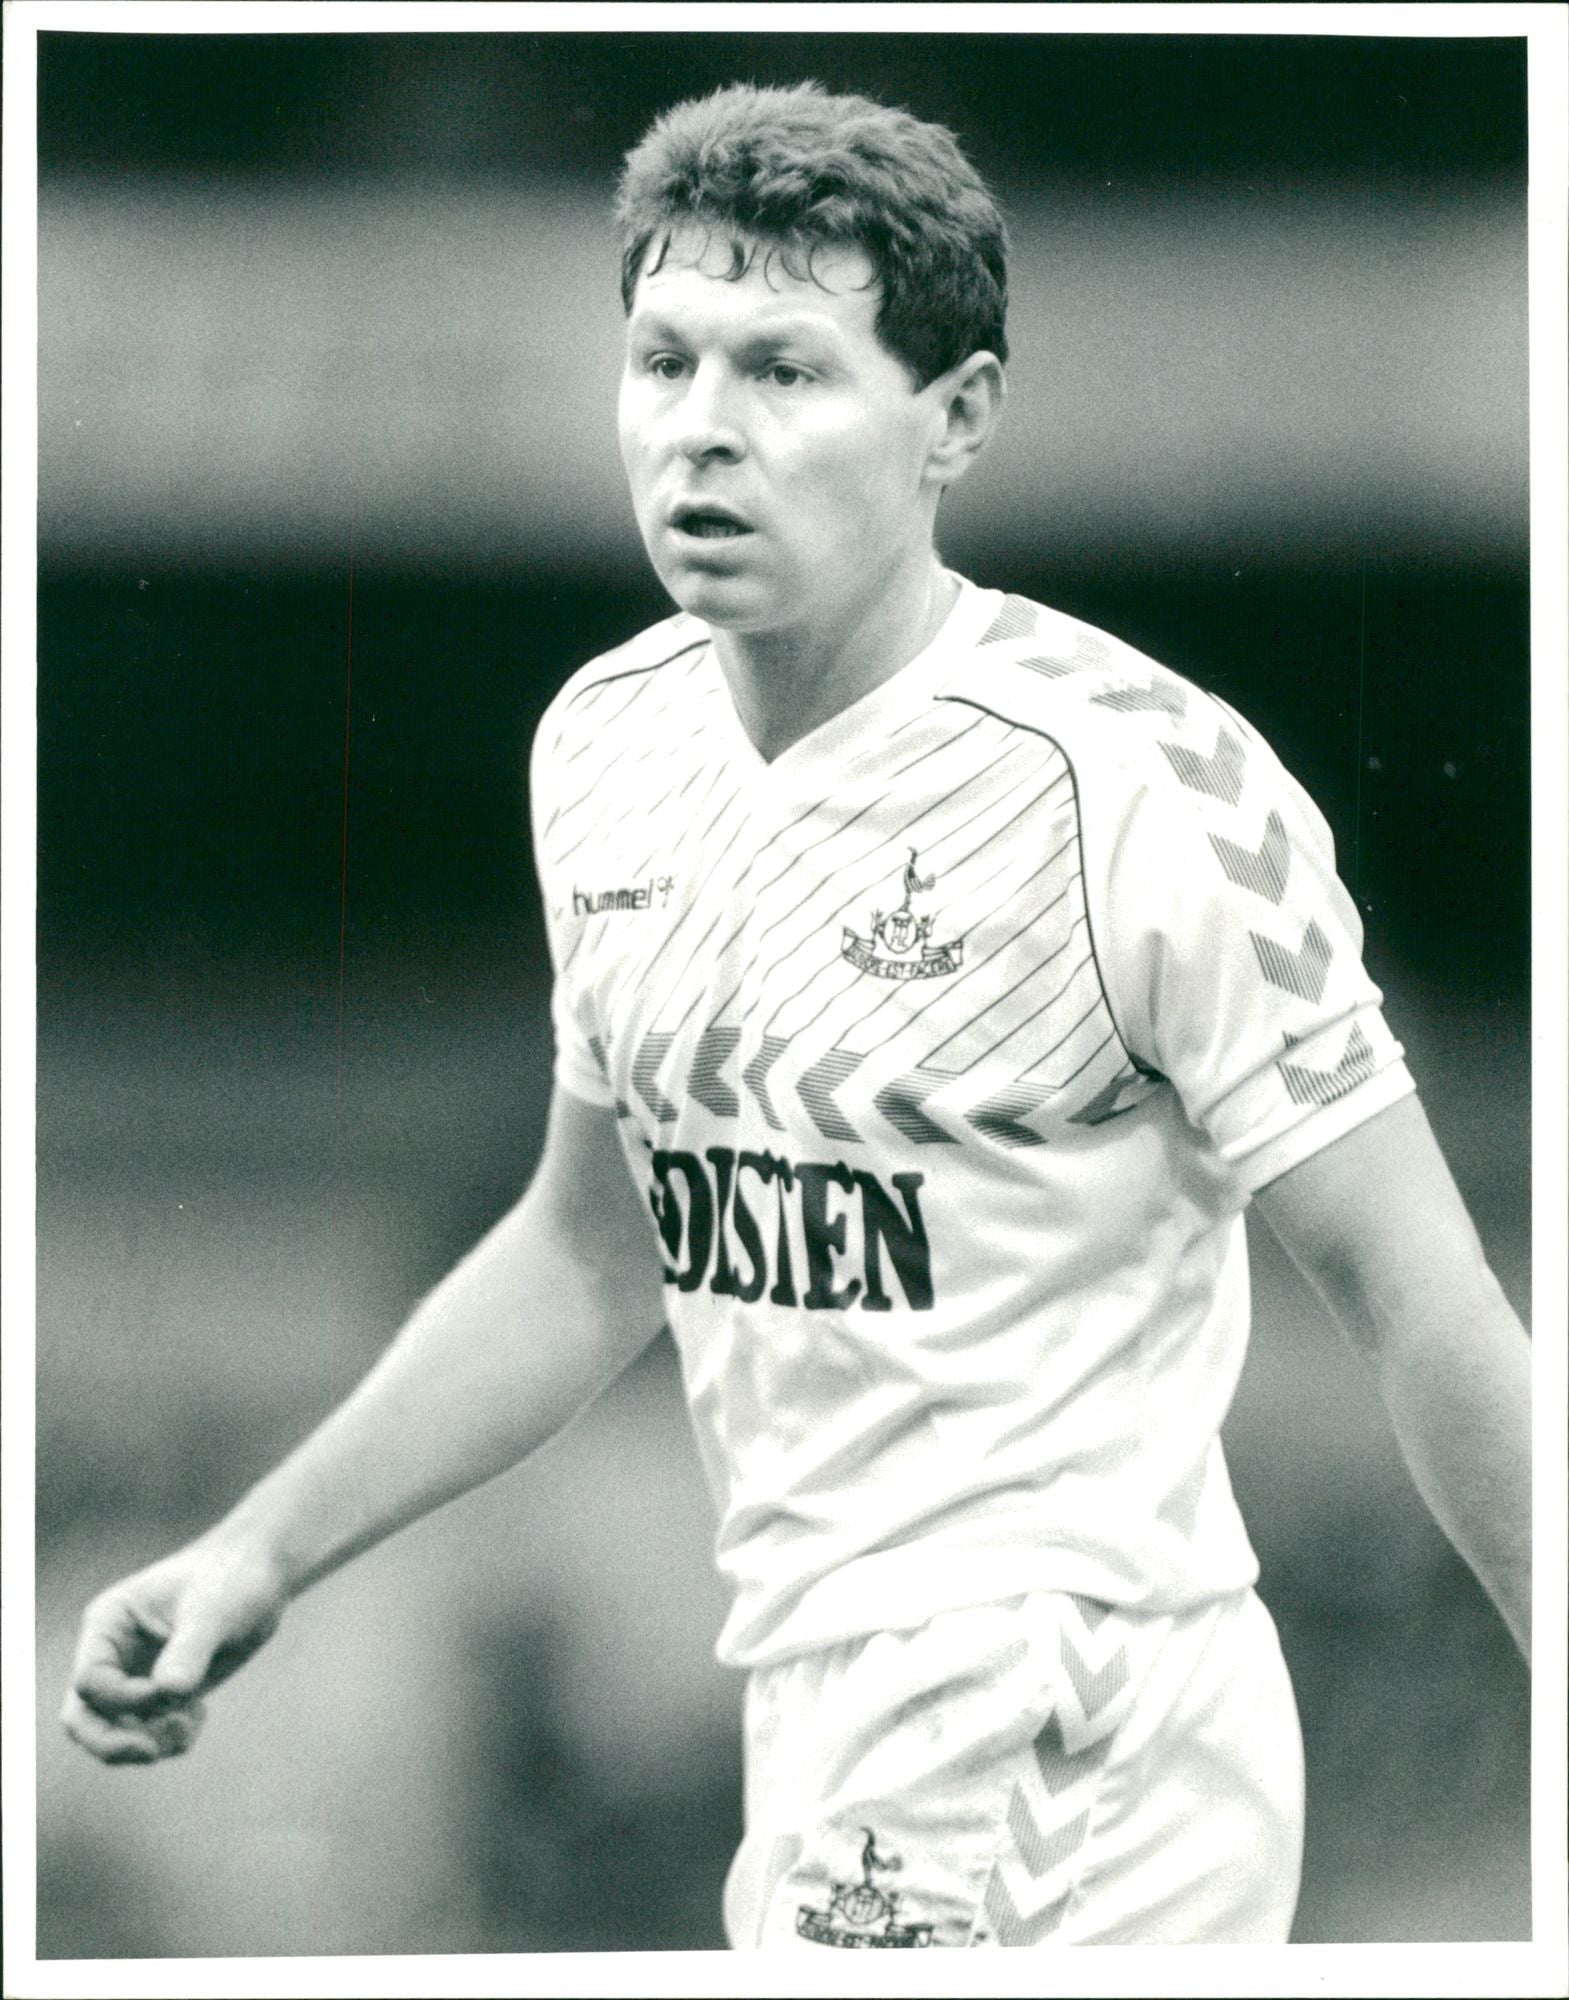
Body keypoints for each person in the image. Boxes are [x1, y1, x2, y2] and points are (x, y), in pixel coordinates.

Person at [62, 82, 1530, 1950]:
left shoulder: (1137, 794)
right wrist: (257, 1551)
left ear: (957, 419)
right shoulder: (602, 745)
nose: (702, 432)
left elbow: (1420, 1293)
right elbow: (593, 1254)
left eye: (784, 371)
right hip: (820, 1699)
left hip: (1052, 1708)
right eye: (661, 360)